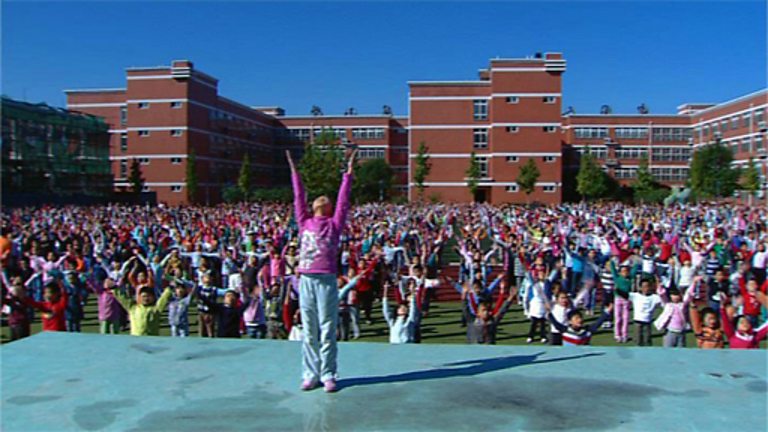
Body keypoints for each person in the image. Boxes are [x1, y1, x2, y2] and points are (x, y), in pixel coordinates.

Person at [288, 148, 355, 393]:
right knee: (309, 329)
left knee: (327, 327)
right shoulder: (304, 221)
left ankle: (328, 373)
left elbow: (343, 201)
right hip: (306, 278)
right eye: (319, 197)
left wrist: (348, 175)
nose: (322, 198)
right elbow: (298, 196)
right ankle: (310, 374)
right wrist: (294, 171)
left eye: (326, 198)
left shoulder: (335, 224)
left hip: (326, 279)